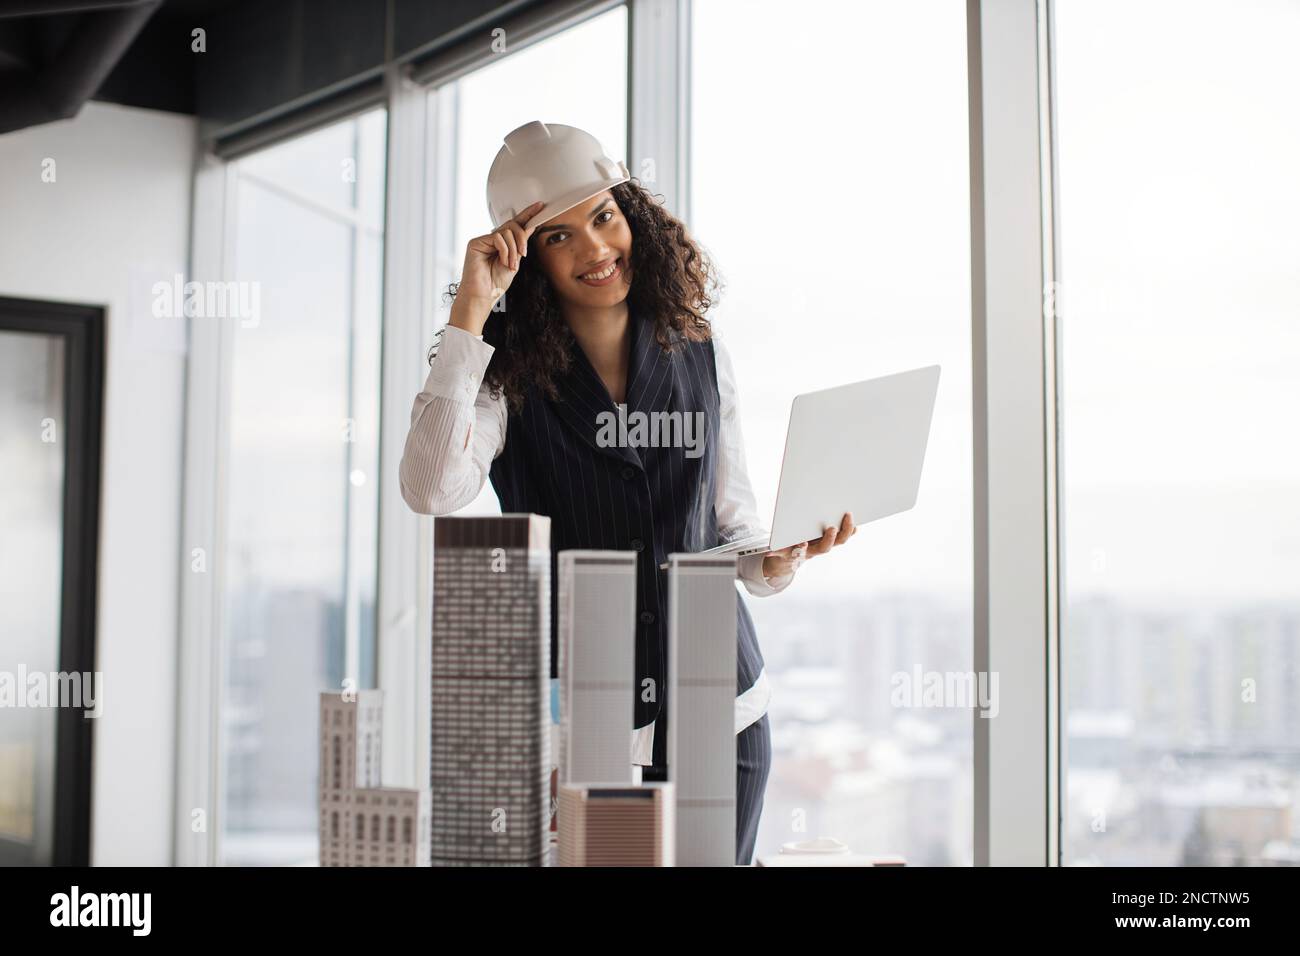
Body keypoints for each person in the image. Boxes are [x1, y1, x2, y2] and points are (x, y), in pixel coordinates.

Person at [399, 122, 856, 865]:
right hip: (587, 724)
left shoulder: (703, 352)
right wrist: (472, 312)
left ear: (631, 215)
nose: (595, 250)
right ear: (524, 255)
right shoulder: (502, 378)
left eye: (604, 217)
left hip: (723, 708)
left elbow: (729, 528)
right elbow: (429, 489)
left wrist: (777, 562)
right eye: (557, 236)